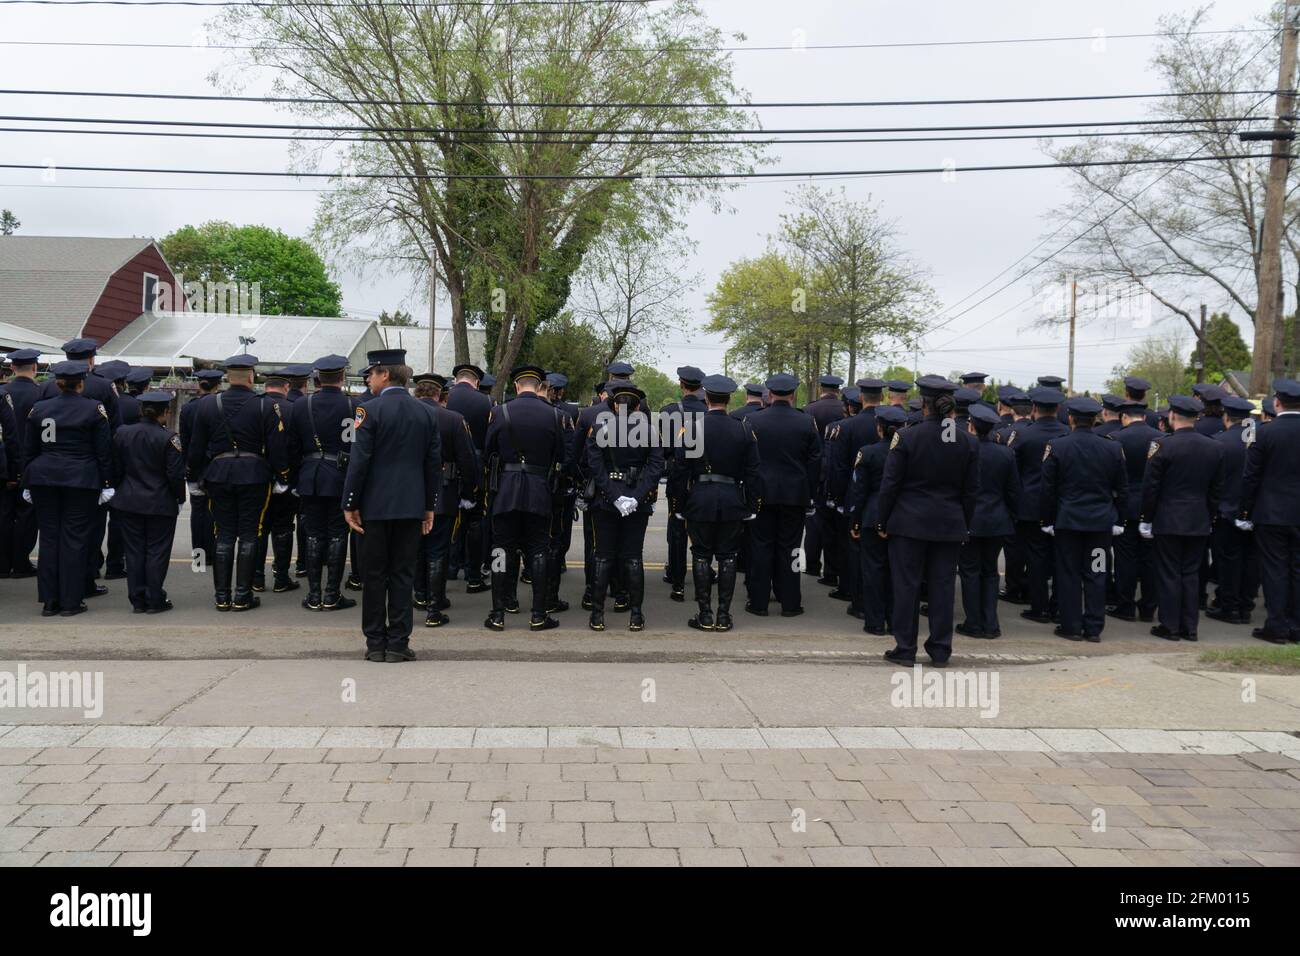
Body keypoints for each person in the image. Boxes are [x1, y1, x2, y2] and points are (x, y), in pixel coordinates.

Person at [342, 348, 441, 662]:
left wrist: (350, 503)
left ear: (385, 374)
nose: (368, 379)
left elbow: (359, 463)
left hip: (374, 507)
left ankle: (375, 643)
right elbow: (432, 464)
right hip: (411, 507)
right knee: (402, 575)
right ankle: (398, 643)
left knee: (374, 575)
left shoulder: (368, 411)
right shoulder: (426, 413)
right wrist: (429, 505)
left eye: (371, 373)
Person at [875, 377, 978, 666]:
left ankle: (905, 648)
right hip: (949, 523)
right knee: (943, 588)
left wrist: (882, 521)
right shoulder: (968, 441)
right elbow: (971, 491)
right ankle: (941, 648)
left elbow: (890, 485)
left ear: (924, 405)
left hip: (909, 523)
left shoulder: (907, 437)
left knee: (906, 586)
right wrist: (964, 523)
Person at [186, 354, 290, 612]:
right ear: (251, 377)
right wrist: (282, 475)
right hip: (254, 475)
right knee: (249, 533)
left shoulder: (208, 405)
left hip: (219, 474)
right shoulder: (265, 405)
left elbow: (196, 447)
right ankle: (242, 595)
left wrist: (193, 477)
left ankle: (222, 596)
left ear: (226, 378)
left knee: (223, 534)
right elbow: (277, 447)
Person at [22, 360, 113, 617]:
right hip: (80, 478)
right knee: (74, 539)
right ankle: (71, 601)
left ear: (57, 383)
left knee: (49, 539)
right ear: (81, 383)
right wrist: (107, 483)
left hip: (43, 476)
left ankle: (50, 601)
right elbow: (103, 451)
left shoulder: (39, 408)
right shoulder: (94, 409)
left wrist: (26, 481)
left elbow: (29, 448)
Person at [671, 375, 760, 632]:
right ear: (729, 399)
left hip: (700, 498)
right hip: (732, 499)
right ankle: (723, 615)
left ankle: (705, 614)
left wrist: (679, 504)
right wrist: (752, 505)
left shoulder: (692, 428)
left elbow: (680, 471)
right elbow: (753, 472)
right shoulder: (743, 428)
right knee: (728, 557)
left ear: (706, 398)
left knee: (701, 556)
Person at [482, 365, 566, 632]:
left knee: (501, 550)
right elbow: (562, 455)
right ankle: (539, 614)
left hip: (506, 490)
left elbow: (488, 450)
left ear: (517, 386)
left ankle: (498, 613)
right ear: (541, 386)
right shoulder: (554, 415)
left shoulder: (499, 412)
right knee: (538, 550)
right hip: (539, 490)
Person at [1038, 397, 1127, 643]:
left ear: (1071, 419)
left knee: (1068, 574)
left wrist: (1047, 519)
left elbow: (1048, 489)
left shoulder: (1058, 446)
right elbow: (1122, 487)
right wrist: (1120, 518)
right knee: (1097, 573)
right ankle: (1094, 627)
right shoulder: (1112, 447)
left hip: (1068, 523)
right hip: (1100, 524)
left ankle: (1071, 626)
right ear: (1096, 419)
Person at [1140, 394, 1224, 642]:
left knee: (1168, 574)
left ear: (1172, 416)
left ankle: (1170, 625)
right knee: (1190, 574)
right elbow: (1216, 490)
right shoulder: (1214, 447)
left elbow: (1151, 487)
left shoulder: (1161, 445)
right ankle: (1190, 627)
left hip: (1168, 518)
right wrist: (1208, 516)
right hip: (1198, 519)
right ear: (1196, 418)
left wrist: (1147, 517)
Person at [585, 382, 665, 631]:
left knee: (604, 556)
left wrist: (614, 495)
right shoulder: (650, 430)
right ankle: (636, 615)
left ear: (613, 405)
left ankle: (598, 616)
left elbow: (594, 467)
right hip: (635, 502)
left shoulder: (599, 428)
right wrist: (636, 497)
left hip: (607, 500)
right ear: (637, 406)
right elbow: (655, 469)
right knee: (632, 557)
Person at [744, 373, 822, 617]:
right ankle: (790, 602)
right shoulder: (806, 422)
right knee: (791, 549)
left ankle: (758, 602)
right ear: (793, 394)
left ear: (769, 393)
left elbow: (746, 461)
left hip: (762, 494)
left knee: (761, 547)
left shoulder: (752, 420)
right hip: (794, 494)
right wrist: (810, 494)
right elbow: (815, 462)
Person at [289, 354, 358, 612]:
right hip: (340, 476)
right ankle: (332, 594)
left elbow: (292, 445)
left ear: (317, 378)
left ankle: (315, 594)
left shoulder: (300, 406)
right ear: (342, 377)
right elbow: (356, 446)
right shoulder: (353, 407)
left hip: (310, 476)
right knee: (338, 534)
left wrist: (295, 476)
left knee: (314, 534)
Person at [412, 372, 478, 627]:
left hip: (410, 491)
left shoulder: (407, 415)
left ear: (418, 393)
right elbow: (467, 460)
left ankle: (420, 595)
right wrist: (470, 492)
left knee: (417, 546)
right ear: (440, 395)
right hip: (444, 490)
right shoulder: (453, 419)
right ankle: (434, 606)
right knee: (438, 550)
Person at [110, 390, 184, 613]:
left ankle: (137, 599)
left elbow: (115, 467)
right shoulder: (169, 438)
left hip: (129, 500)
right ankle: (154, 599)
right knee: (157, 552)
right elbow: (174, 474)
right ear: (164, 413)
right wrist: (179, 498)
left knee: (133, 552)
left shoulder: (122, 433)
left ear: (141, 411)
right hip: (160, 502)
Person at [1238, 378, 1300, 645]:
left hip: (1271, 511)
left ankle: (1277, 625)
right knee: (1298, 569)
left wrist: (1245, 511)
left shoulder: (1264, 432)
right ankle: (1296, 625)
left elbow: (1251, 476)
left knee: (1275, 569)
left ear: (1277, 403)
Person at [957, 405, 1020, 639]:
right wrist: (1012, 516)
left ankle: (973, 622)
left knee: (970, 572)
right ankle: (991, 623)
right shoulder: (1006, 453)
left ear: (971, 425)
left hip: (970, 519)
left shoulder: (964, 450)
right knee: (991, 572)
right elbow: (1013, 491)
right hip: (997, 520)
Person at [848, 404, 908, 636]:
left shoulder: (868, 452)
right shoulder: (908, 452)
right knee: (897, 571)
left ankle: (874, 621)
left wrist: (855, 521)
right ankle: (895, 621)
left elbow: (859, 491)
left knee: (872, 570)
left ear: (879, 428)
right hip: (899, 516)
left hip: (872, 515)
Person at [1012, 386, 1070, 624]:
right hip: (1061, 504)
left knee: (1036, 558)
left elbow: (1012, 471)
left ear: (1034, 408)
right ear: (1058, 409)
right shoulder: (1067, 433)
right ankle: (1058, 605)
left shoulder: (1023, 435)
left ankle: (1039, 606)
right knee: (1061, 558)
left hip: (1031, 504)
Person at [826, 377, 883, 607]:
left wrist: (837, 497)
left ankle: (853, 594)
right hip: (884, 495)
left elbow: (838, 467)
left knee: (853, 547)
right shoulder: (894, 422)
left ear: (860, 398)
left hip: (854, 493)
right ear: (881, 397)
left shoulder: (847, 426)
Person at [1108, 399, 1164, 623]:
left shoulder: (1115, 439)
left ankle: (1126, 605)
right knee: (1150, 560)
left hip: (1124, 505)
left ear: (1123, 417)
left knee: (1125, 560)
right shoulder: (1160, 439)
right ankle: (1149, 607)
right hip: (1152, 506)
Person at [1207, 395, 1259, 626]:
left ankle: (1228, 606)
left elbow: (1212, 480)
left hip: (1226, 509)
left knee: (1228, 561)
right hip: (1254, 510)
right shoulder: (1257, 440)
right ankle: (1245, 606)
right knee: (1250, 560)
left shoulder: (1219, 442)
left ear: (1226, 417)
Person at [660, 366, 708, 602]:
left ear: (681, 384)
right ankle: (705, 572)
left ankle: (677, 579)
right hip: (702, 479)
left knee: (677, 530)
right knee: (702, 530)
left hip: (678, 478)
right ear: (701, 387)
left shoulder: (669, 412)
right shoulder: (709, 411)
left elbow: (661, 448)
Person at [445, 363, 492, 595]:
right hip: (476, 464)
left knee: (449, 518)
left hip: (447, 466)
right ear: (476, 382)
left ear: (456, 380)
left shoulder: (447, 398)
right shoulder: (485, 401)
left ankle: (451, 567)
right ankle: (473, 576)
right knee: (475, 522)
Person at [251, 370, 300, 594]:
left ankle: (257, 577)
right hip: (288, 477)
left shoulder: (253, 406)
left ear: (265, 386)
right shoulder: (294, 408)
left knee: (259, 528)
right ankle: (281, 577)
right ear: (286, 387)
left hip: (257, 477)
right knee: (283, 528)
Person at [0, 349, 42, 578]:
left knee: (4, 513)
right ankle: (21, 562)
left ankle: (3, 562)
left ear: (13, 368)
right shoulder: (41, 394)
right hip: (31, 460)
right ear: (34, 368)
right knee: (27, 514)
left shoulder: (3, 391)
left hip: (4, 461)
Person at [179, 369, 223, 570]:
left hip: (195, 467)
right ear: (218, 385)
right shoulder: (221, 406)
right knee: (217, 512)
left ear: (199, 384)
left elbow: (186, 442)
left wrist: (187, 467)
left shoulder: (188, 409)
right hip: (216, 467)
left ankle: (199, 560)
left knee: (197, 514)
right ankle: (215, 556)